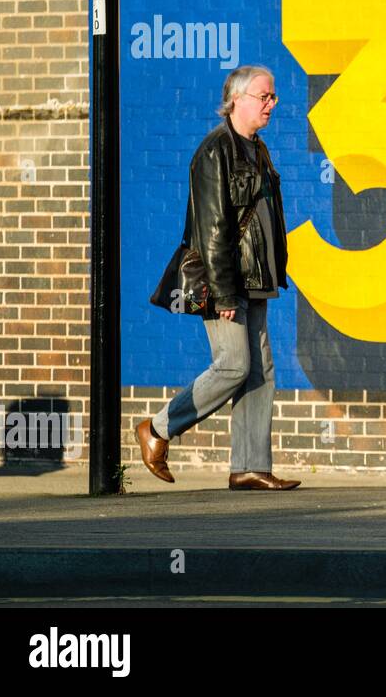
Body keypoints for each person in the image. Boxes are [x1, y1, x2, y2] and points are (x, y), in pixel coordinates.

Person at [135, 66, 300, 490]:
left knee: (260, 371)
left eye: (273, 97)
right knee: (233, 365)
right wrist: (224, 292)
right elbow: (212, 229)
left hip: (256, 276)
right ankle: (157, 429)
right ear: (238, 98)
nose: (271, 104)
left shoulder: (257, 150)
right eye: (265, 96)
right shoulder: (215, 151)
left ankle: (250, 467)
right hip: (223, 280)